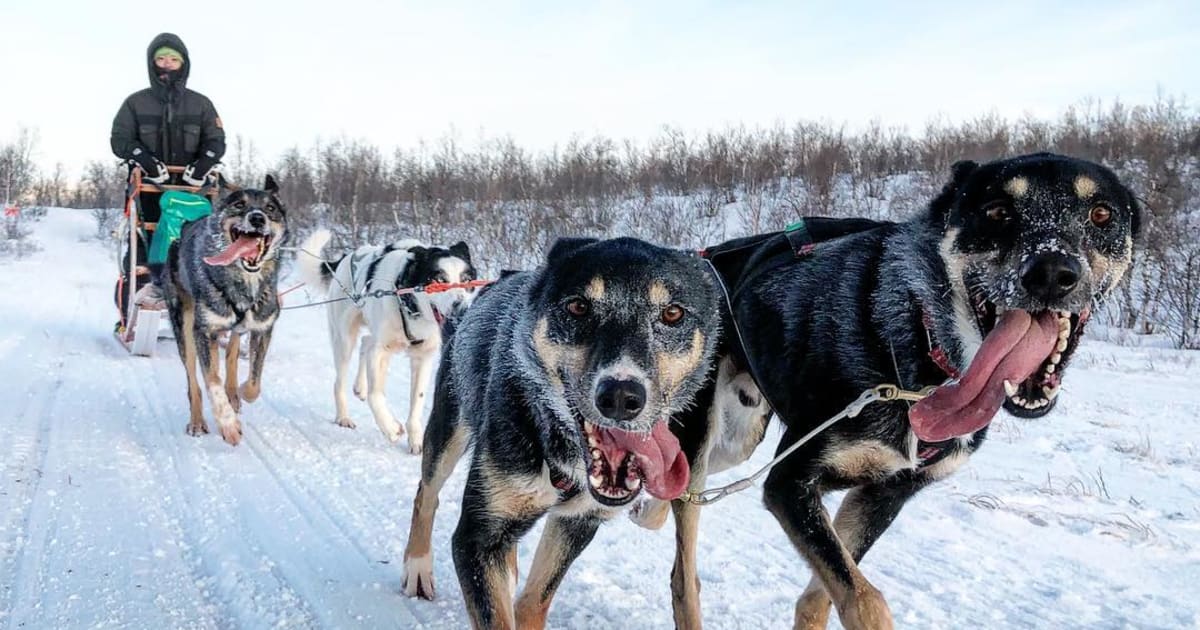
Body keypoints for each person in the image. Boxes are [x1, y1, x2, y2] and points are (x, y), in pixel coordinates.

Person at [110, 32, 225, 321]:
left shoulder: (201, 105)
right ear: (152, 62)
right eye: (161, 58)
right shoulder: (135, 103)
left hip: (192, 191)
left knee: (200, 246)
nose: (167, 64)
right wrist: (146, 161)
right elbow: (120, 139)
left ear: (183, 64)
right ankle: (131, 312)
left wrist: (200, 169)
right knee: (143, 247)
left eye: (173, 59)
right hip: (148, 188)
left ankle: (210, 311)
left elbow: (216, 141)